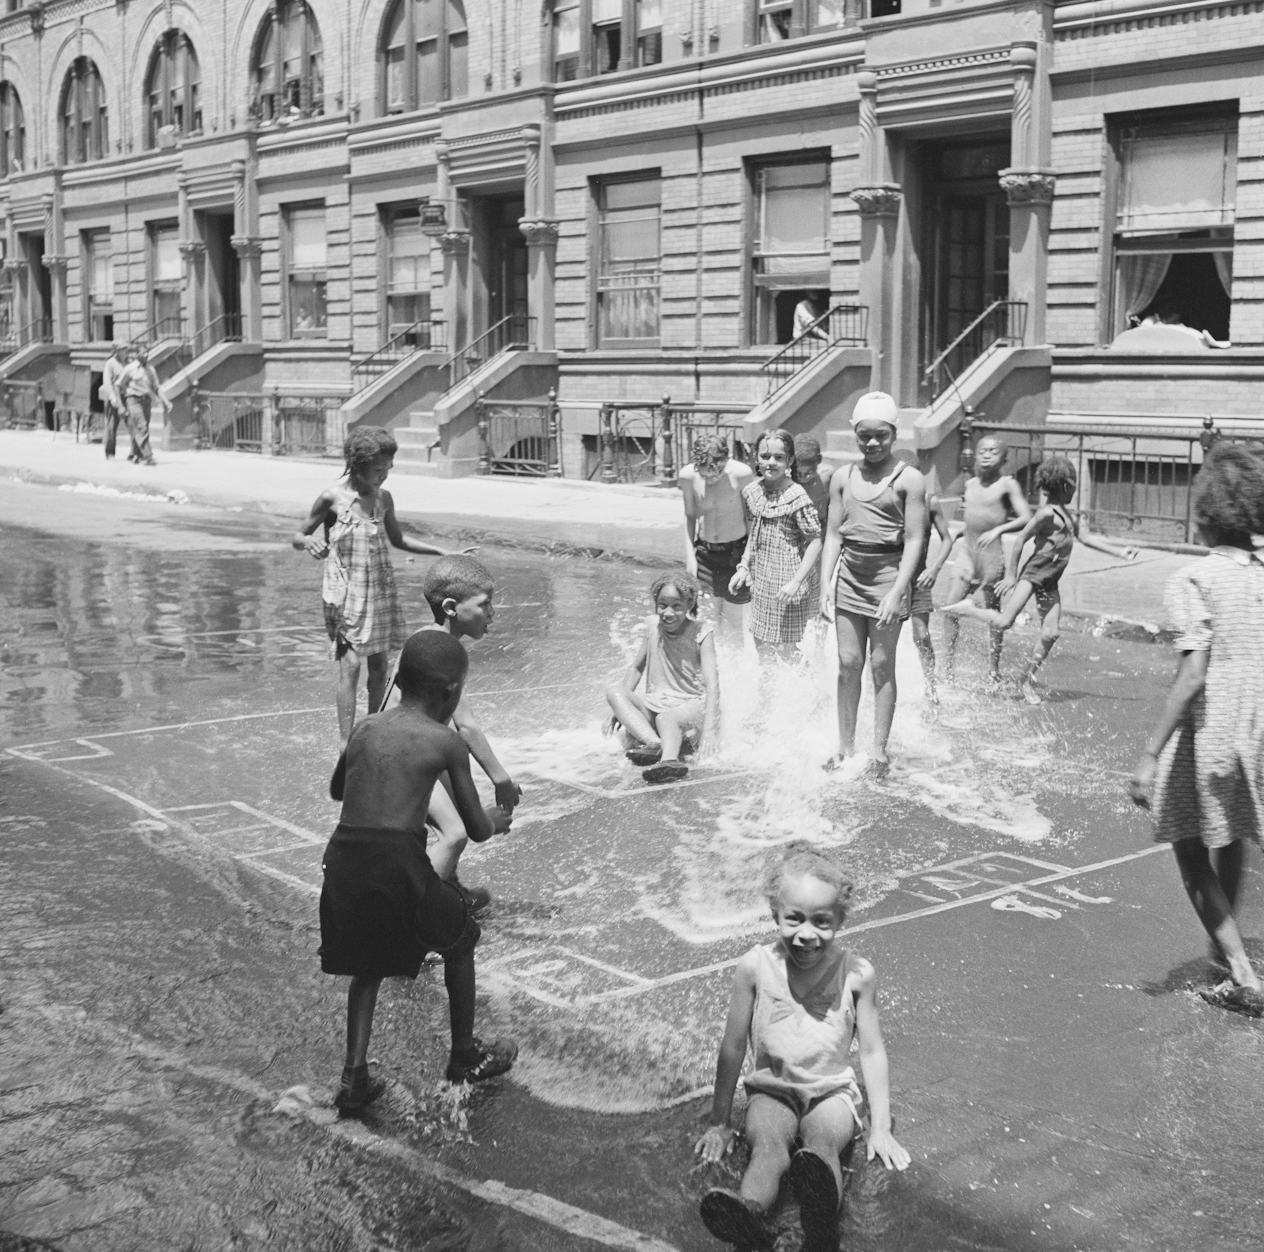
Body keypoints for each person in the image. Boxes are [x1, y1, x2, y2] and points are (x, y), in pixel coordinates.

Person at [319, 630, 516, 1114]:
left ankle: (354, 1076)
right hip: (396, 861)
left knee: (367, 966)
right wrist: (495, 818)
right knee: (462, 937)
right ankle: (464, 1056)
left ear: (401, 680)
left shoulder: (366, 727)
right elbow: (476, 829)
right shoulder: (445, 741)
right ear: (450, 692)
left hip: (343, 858)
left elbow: (338, 790)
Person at [694, 843, 910, 1252]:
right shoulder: (755, 967)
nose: (806, 934)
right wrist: (719, 1121)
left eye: (821, 922)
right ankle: (750, 1217)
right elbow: (733, 1045)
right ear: (775, 913)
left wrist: (880, 1127)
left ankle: (822, 1227)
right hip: (772, 1091)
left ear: (840, 919)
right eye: (794, 918)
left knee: (821, 1148)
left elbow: (872, 1052)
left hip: (831, 1094)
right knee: (768, 1148)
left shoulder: (857, 974)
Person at [1129, 443, 1264, 1007]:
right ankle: (1222, 949)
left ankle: (1242, 973)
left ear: (1204, 514)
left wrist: (1150, 755)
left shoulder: (1195, 579)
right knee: (1229, 833)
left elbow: (1192, 675)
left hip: (1213, 732)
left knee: (1188, 846)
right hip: (1257, 732)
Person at [293, 426, 466, 746]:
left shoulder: (384, 498)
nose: (384, 476)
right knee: (350, 664)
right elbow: (298, 535)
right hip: (344, 591)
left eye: (388, 469)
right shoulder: (333, 498)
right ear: (357, 466)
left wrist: (442, 552)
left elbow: (398, 540)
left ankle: (371, 732)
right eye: (378, 470)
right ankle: (346, 743)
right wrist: (308, 542)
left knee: (379, 666)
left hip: (379, 591)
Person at [942, 455, 1137, 704]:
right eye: (1073, 487)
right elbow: (1020, 540)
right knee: (1004, 621)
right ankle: (970, 609)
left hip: (1050, 581)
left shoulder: (1069, 517)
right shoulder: (1046, 514)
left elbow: (1087, 539)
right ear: (1065, 486)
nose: (1074, 492)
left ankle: (1024, 680)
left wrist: (1120, 552)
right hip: (1032, 576)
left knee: (1051, 633)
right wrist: (1011, 576)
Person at [819, 393, 927, 779]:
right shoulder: (842, 478)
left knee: (881, 665)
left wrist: (898, 592)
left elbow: (914, 539)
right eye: (864, 435)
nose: (873, 442)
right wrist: (825, 584)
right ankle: (844, 747)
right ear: (855, 434)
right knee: (848, 663)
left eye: (881, 435)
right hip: (850, 577)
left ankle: (878, 750)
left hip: (887, 579)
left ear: (894, 433)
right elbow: (834, 534)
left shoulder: (909, 479)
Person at [412, 554, 521, 911]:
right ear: (450, 608)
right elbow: (467, 726)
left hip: (411, 749)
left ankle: (451, 888)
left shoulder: (428, 640)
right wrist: (501, 779)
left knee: (456, 818)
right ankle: (410, 916)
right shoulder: (440, 651)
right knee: (454, 834)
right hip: (405, 756)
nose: (492, 613)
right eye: (484, 604)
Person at [933, 437, 1032, 687]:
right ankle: (947, 668)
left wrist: (999, 530)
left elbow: (1026, 517)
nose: (987, 455)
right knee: (949, 608)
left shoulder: (1007, 485)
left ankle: (993, 669)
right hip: (967, 554)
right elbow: (975, 515)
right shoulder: (970, 484)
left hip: (991, 557)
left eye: (993, 451)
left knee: (993, 614)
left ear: (1004, 459)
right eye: (982, 451)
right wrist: (964, 530)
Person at [605, 570, 720, 784]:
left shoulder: (702, 633)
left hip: (689, 707)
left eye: (676, 606)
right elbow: (636, 668)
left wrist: (710, 730)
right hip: (655, 704)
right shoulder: (652, 626)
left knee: (666, 718)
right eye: (662, 605)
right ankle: (655, 744)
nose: (668, 612)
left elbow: (713, 685)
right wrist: (620, 711)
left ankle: (669, 761)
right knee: (615, 692)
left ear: (689, 604)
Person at [730, 429, 823, 660]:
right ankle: (766, 685)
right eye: (765, 456)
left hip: (789, 583)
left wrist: (796, 582)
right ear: (756, 458)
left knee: (787, 652)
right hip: (763, 582)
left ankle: (808, 681)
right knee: (762, 648)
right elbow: (755, 533)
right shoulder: (752, 492)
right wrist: (743, 566)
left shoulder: (797, 496)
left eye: (779, 457)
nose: (771, 462)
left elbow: (815, 541)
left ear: (789, 461)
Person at [678, 434, 754, 642]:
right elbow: (690, 517)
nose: (710, 479)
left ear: (725, 462)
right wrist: (690, 558)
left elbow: (751, 520)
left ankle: (735, 662)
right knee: (705, 623)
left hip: (735, 555)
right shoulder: (687, 476)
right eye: (705, 475)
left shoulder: (742, 474)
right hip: (705, 556)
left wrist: (747, 562)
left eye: (715, 474)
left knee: (734, 626)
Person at [906, 492, 953, 711]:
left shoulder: (929, 501)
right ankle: (874, 685)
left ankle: (930, 685)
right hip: (890, 578)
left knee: (922, 635)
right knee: (880, 636)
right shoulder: (889, 497)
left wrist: (935, 568)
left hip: (919, 579)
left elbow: (947, 539)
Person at [118, 346, 168, 466]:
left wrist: (166, 401)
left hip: (146, 401)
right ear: (137, 355)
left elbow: (156, 387)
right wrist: (121, 404)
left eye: (147, 353)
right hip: (133, 400)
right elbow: (119, 385)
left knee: (141, 428)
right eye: (142, 353)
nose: (145, 355)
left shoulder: (151, 369)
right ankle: (148, 456)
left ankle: (135, 454)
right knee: (142, 426)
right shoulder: (130, 368)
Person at [793, 434, 834, 530]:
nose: (803, 478)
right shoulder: (787, 480)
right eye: (798, 473)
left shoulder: (826, 477)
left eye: (809, 473)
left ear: (819, 460)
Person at [101, 343, 128, 460]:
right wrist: (112, 397)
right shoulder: (110, 363)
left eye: (126, 349)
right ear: (117, 351)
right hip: (114, 397)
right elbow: (107, 382)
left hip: (127, 396)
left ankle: (135, 452)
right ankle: (110, 452)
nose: (125, 351)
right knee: (111, 426)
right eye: (123, 349)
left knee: (133, 425)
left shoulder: (128, 362)